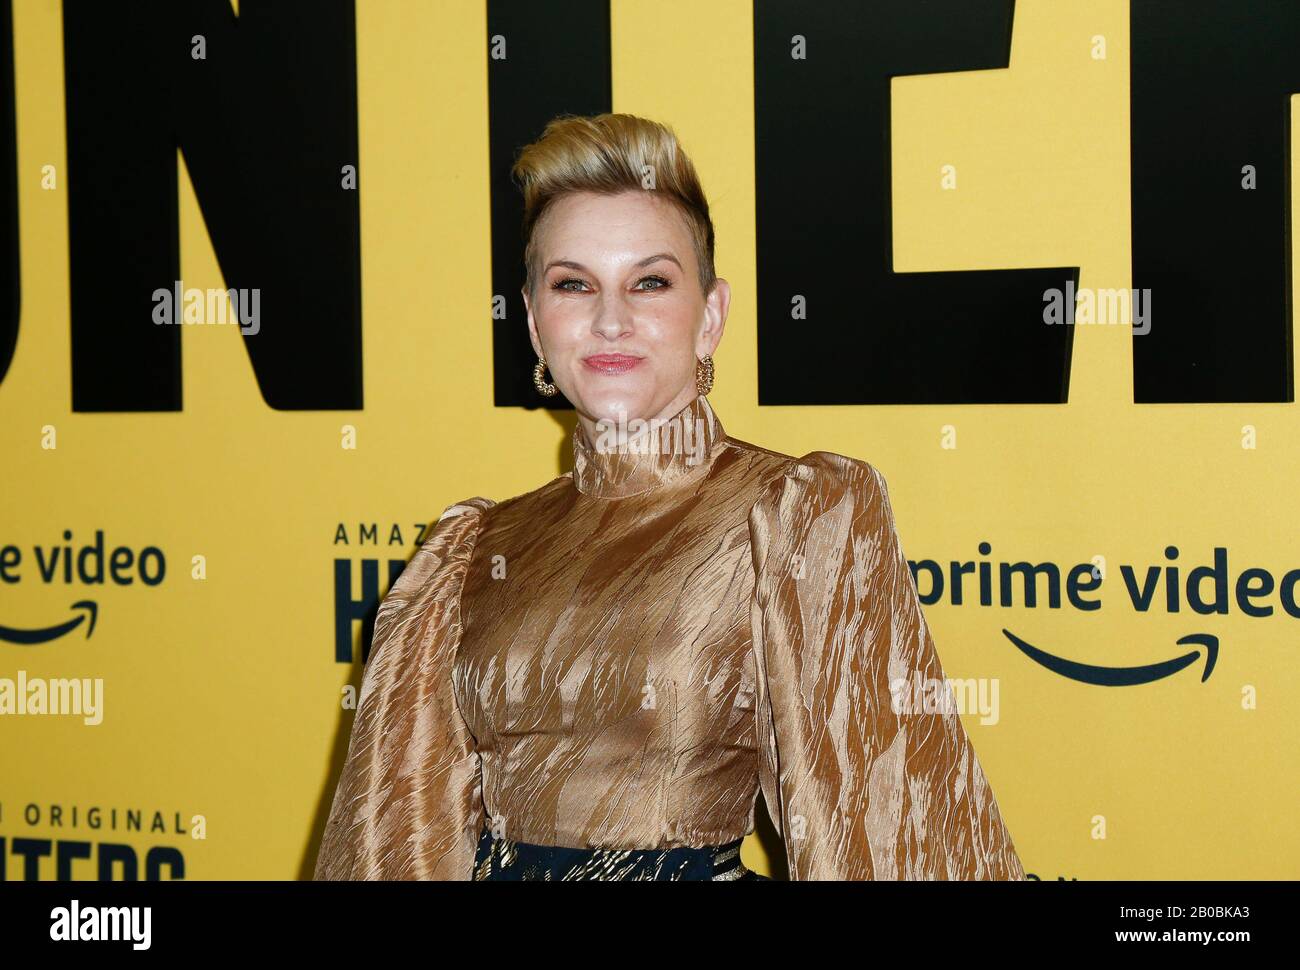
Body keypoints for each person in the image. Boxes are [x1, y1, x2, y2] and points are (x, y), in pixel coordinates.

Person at [313, 112, 1025, 881]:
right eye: (573, 284)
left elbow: (888, 830)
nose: (610, 319)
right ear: (532, 320)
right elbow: (393, 848)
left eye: (649, 282)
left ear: (710, 316)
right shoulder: (472, 552)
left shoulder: (790, 515)